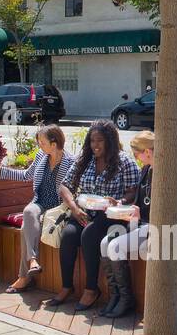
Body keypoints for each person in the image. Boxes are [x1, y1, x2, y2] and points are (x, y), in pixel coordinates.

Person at [55, 120, 139, 311]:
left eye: (99, 141)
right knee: (68, 235)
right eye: (92, 141)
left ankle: (91, 289)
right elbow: (65, 186)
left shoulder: (124, 162)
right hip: (84, 212)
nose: (95, 145)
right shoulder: (85, 159)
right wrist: (74, 208)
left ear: (110, 140)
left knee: (89, 235)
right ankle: (67, 286)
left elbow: (132, 192)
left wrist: (119, 202)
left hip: (112, 215)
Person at [0, 125, 75, 293]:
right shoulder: (42, 155)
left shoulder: (71, 162)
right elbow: (26, 175)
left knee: (23, 230)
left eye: (42, 142)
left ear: (54, 144)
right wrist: (0, 171)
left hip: (57, 209)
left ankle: (24, 277)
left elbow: (72, 190)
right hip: (40, 203)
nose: (39, 145)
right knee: (28, 211)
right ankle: (33, 260)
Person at [98, 131, 154, 318]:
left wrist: (137, 214)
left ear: (147, 151)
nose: (136, 158)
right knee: (105, 242)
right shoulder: (146, 169)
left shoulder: (162, 172)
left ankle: (126, 298)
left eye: (137, 154)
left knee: (114, 246)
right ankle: (116, 295)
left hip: (154, 228)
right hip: (140, 223)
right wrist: (121, 205)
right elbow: (139, 202)